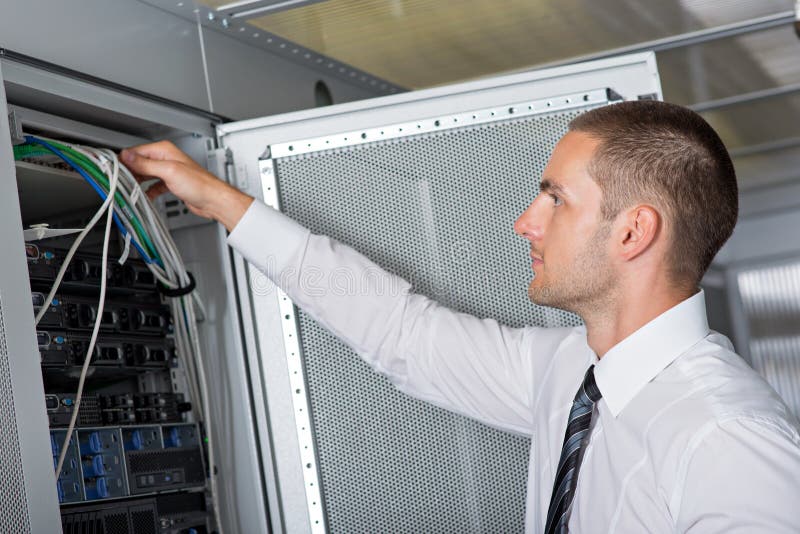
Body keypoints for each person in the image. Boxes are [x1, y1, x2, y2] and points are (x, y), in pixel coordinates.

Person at [120, 100, 800, 533]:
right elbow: (401, 332)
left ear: (632, 233)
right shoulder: (571, 373)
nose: (524, 223)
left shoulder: (729, 439)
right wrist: (219, 202)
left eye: (554, 199)